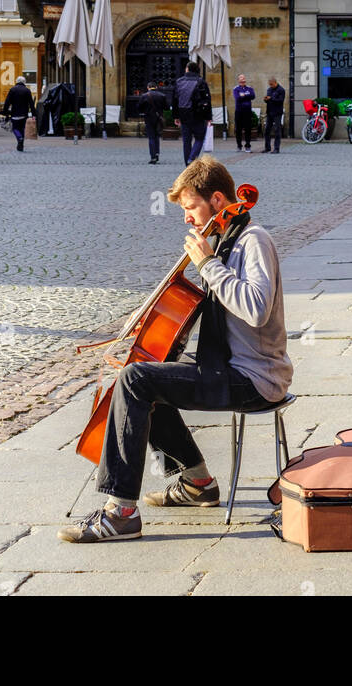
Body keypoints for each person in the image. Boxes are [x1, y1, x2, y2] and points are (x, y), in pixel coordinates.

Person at [58, 155, 292, 544]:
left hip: (256, 377)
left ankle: (121, 513)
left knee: (136, 380)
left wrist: (208, 265)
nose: (186, 218)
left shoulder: (254, 241)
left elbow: (254, 308)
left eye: (191, 207)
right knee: (150, 367)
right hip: (228, 365)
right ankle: (198, 483)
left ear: (218, 200)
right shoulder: (222, 240)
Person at [173, 62, 211, 165]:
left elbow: (175, 100)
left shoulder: (179, 81)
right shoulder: (201, 81)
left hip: (183, 113)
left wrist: (176, 116)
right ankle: (192, 158)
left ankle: (187, 164)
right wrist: (209, 117)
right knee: (199, 138)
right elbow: (207, 100)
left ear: (187, 69)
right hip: (198, 114)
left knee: (186, 141)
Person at [3, 76, 35, 154]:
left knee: (15, 129)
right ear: (24, 82)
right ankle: (21, 145)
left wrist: (5, 112)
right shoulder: (27, 90)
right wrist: (34, 114)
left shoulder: (12, 90)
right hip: (24, 114)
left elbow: (7, 102)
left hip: (15, 113)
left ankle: (19, 139)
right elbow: (31, 103)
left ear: (16, 81)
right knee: (22, 129)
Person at [138, 81, 168, 164]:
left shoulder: (144, 96)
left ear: (148, 87)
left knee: (151, 137)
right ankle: (157, 153)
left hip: (148, 118)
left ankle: (153, 156)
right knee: (157, 136)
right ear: (156, 87)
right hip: (158, 118)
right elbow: (166, 107)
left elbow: (139, 107)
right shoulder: (162, 95)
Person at [232, 74, 256, 153]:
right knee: (238, 129)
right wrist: (246, 96)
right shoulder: (236, 89)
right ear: (238, 80)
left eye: (244, 78)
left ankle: (248, 146)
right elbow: (237, 98)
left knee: (248, 129)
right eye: (241, 78)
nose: (243, 80)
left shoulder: (249, 88)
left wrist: (244, 95)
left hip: (247, 111)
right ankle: (239, 145)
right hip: (239, 111)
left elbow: (253, 96)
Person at [263, 78, 285, 154]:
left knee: (277, 130)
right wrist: (265, 99)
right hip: (269, 112)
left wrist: (271, 98)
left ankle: (276, 148)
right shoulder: (269, 89)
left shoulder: (281, 90)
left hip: (277, 113)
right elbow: (267, 100)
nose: (270, 86)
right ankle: (267, 148)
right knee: (267, 130)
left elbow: (281, 100)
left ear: (275, 83)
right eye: (269, 84)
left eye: (272, 84)